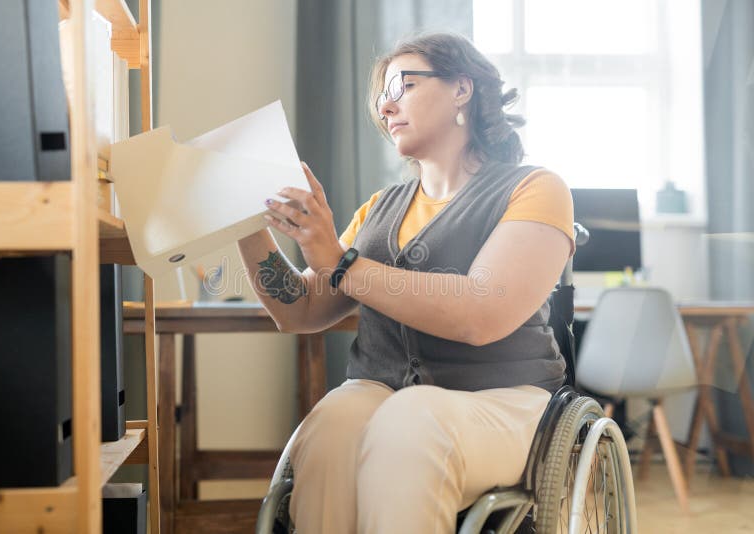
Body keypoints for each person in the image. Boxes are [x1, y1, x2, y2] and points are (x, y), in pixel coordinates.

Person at [237, 32, 574, 534]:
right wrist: (243, 222)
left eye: (403, 84)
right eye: (381, 97)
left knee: (411, 420)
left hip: (505, 400)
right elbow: (301, 309)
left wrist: (342, 262)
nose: (387, 104)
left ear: (462, 88)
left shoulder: (534, 188)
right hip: (389, 394)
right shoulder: (379, 209)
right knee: (332, 427)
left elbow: (481, 313)